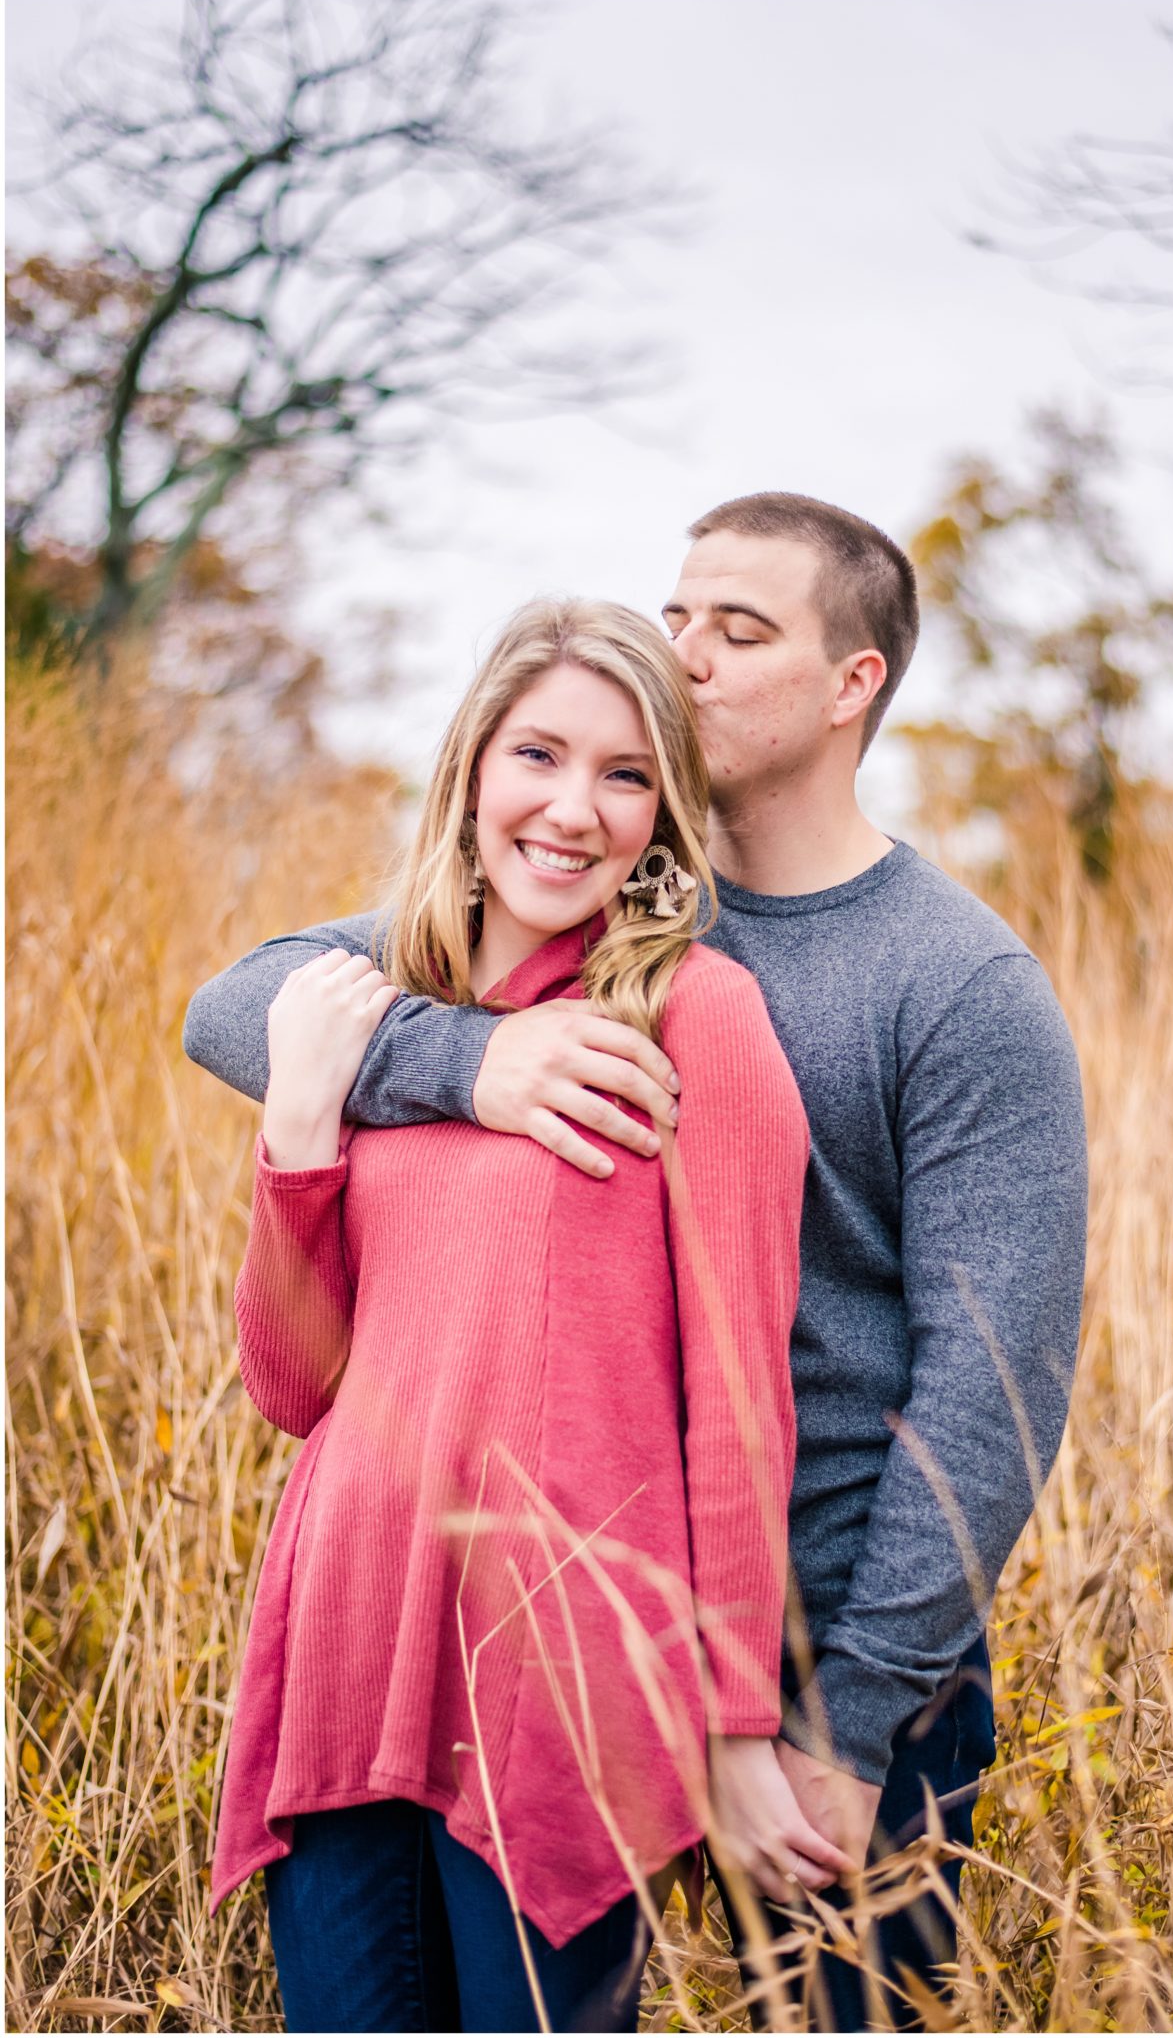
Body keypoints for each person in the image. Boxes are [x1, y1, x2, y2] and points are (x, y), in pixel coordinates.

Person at [186, 494, 1090, 2032]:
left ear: (851, 682)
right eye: (675, 618)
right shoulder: (575, 915)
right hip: (480, 1615)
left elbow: (988, 1391)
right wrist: (469, 1064)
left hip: (822, 1629)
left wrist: (834, 1721)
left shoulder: (944, 984)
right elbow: (248, 1003)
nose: (686, 655)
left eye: (737, 633)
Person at [195, 598, 823, 2033]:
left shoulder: (693, 1020)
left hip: (559, 1675)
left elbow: (738, 1405)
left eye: (623, 774)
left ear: (662, 814)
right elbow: (298, 1386)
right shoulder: (366, 1017)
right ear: (472, 765)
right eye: (537, 753)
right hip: (350, 1634)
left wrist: (733, 1728)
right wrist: (299, 1118)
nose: (570, 810)